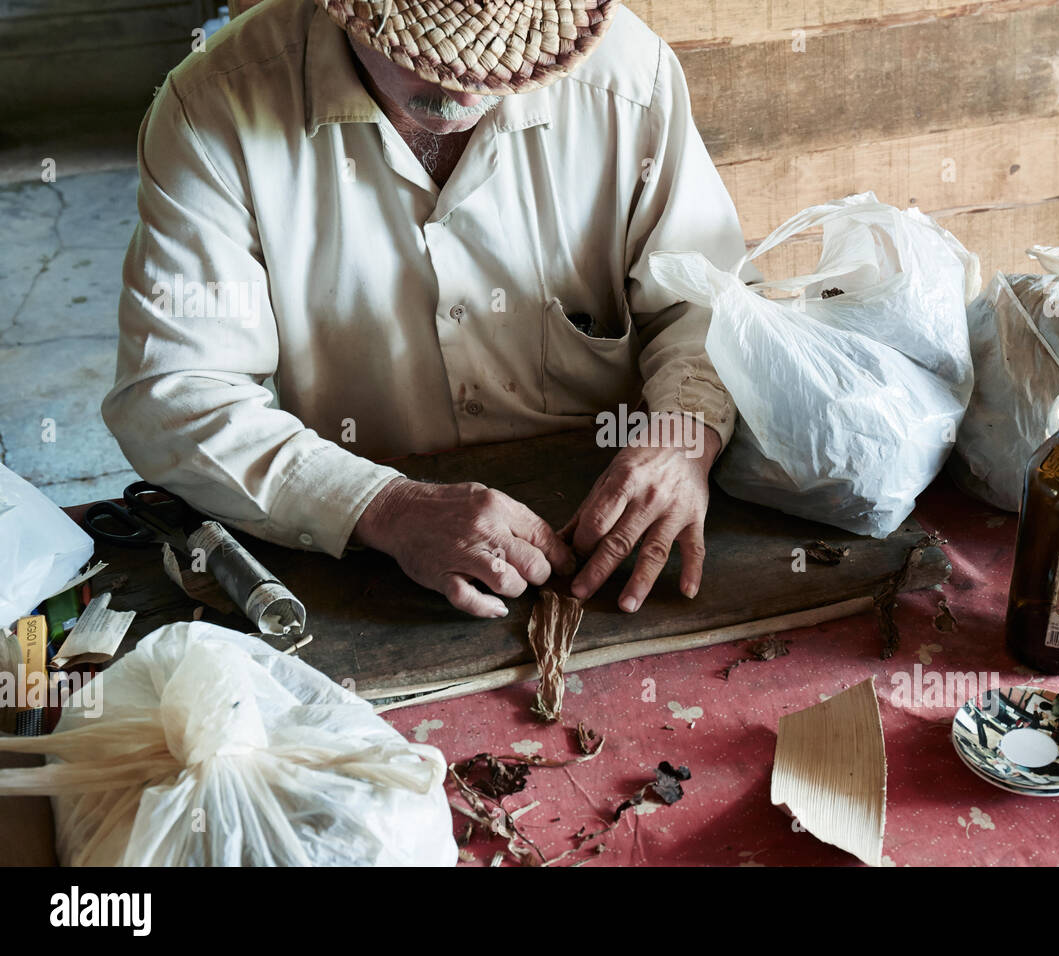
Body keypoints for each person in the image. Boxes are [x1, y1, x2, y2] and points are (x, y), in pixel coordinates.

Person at [103, 0, 753, 617]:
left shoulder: (629, 80)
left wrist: (683, 438)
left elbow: (708, 308)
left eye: (500, 49)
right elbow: (177, 394)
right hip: (371, 557)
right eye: (425, 48)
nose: (468, 84)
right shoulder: (212, 109)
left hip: (601, 531)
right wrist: (385, 505)